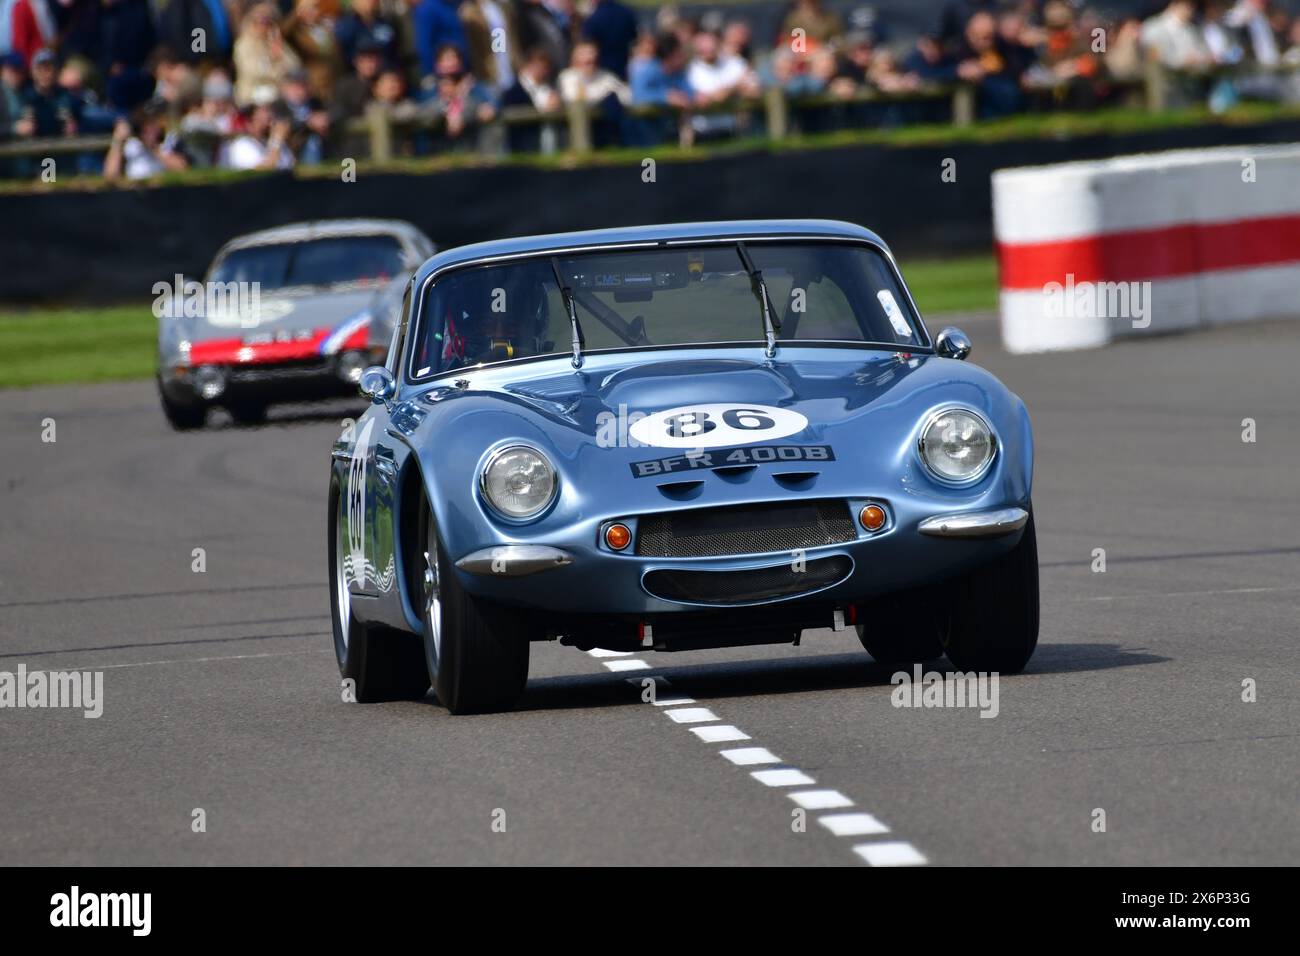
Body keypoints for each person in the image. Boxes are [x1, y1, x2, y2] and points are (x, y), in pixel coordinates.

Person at [233, 3, 303, 106]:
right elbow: (253, 71)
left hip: (276, 95)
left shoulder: (274, 42)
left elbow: (295, 65)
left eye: (267, 22)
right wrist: (277, 68)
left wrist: (279, 50)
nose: (263, 25)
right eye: (259, 21)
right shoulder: (244, 44)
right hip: (251, 95)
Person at [104, 99, 189, 179]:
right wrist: (118, 141)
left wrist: (153, 147)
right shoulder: (131, 143)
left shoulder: (170, 140)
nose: (148, 128)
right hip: (133, 189)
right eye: (145, 123)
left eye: (152, 123)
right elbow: (110, 176)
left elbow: (182, 169)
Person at [284, 0, 343, 104]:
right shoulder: (299, 34)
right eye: (307, 10)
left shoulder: (325, 27)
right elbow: (284, 32)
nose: (312, 12)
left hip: (336, 80)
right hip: (317, 85)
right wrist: (297, 13)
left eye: (314, 8)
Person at [459, 0, 518, 92]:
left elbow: (511, 39)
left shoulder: (501, 7)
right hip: (487, 74)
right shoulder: (469, 11)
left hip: (509, 70)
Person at [219, 99, 295, 169]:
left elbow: (292, 166)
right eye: (264, 119)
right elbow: (264, 170)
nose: (270, 123)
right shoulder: (242, 144)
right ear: (249, 122)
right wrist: (276, 140)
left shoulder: (271, 141)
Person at [335, 0, 402, 69]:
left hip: (387, 74)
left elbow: (395, 53)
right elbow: (342, 58)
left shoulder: (387, 23)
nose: (370, 1)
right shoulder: (345, 27)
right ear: (354, 3)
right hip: (357, 76)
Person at [581, 0, 637, 80]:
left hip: (600, 70)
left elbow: (587, 45)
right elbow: (633, 38)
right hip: (622, 67)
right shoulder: (627, 13)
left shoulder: (593, 18)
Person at [413, 0, 468, 81]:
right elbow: (424, 45)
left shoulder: (453, 6)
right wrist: (430, 73)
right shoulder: (427, 8)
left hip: (459, 69)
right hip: (441, 74)